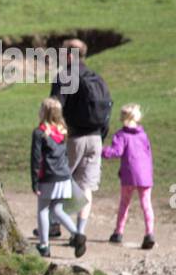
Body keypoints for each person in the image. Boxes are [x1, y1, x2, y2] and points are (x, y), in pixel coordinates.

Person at [49, 38, 112, 240]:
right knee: (85, 186)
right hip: (96, 138)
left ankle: (54, 224)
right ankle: (80, 231)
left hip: (73, 138)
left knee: (59, 179)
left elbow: (56, 107)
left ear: (69, 56)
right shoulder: (97, 77)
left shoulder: (67, 76)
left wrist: (52, 137)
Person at [32, 97, 87, 258]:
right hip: (64, 177)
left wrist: (34, 181)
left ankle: (44, 246)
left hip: (48, 177)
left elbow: (36, 159)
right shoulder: (62, 131)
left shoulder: (40, 133)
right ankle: (77, 234)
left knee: (43, 210)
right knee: (57, 209)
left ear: (43, 112)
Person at [103, 103, 155, 249]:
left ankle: (118, 232)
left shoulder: (121, 135)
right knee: (146, 205)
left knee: (124, 203)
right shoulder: (143, 135)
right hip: (145, 175)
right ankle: (149, 233)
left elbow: (116, 151)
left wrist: (101, 151)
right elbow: (148, 154)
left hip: (129, 175)